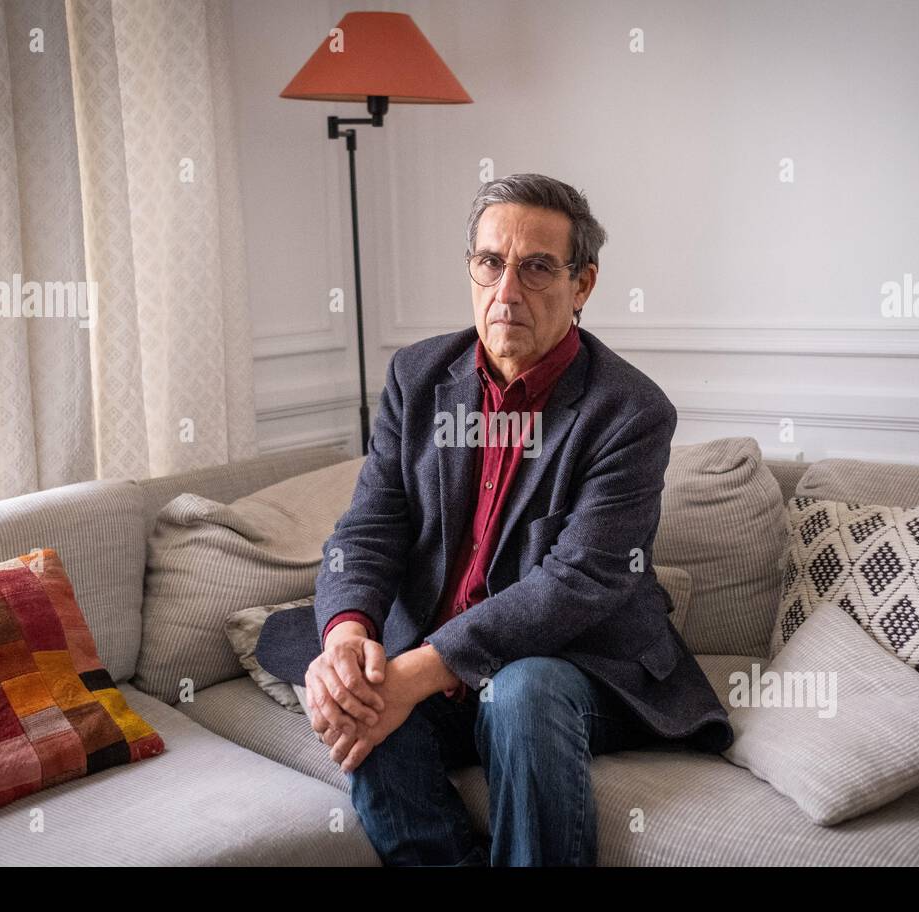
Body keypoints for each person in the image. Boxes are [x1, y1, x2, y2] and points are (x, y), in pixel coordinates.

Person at [301, 173, 732, 866]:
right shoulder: (418, 376)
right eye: (490, 263)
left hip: (581, 665)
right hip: (438, 657)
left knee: (521, 687)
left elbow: (579, 582)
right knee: (357, 701)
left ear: (583, 284)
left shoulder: (628, 412)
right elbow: (369, 527)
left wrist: (417, 672)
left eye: (536, 268)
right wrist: (349, 634)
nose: (507, 293)